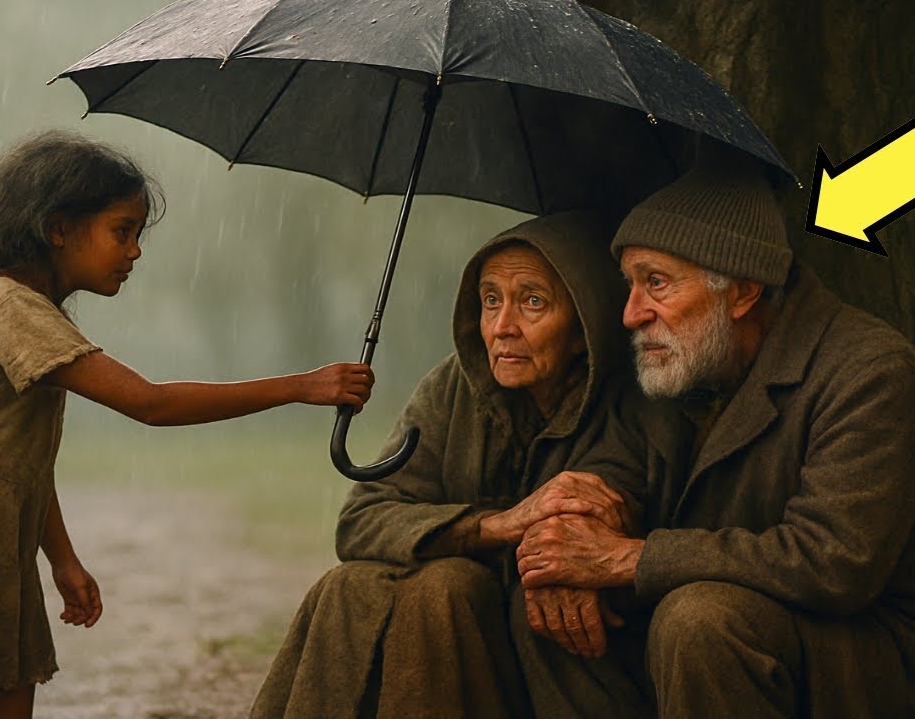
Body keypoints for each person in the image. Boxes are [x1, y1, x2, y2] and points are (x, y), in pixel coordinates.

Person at [0, 129, 374, 719]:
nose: (134, 251)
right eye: (122, 231)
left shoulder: (29, 310)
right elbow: (151, 403)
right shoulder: (9, 308)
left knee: (11, 669)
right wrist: (299, 387)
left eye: (137, 234)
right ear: (58, 230)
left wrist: (61, 558)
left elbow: (18, 462)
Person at [510, 158, 915, 718]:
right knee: (550, 608)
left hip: (893, 658)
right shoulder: (673, 367)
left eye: (657, 282)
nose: (630, 314)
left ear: (742, 293)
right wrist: (570, 542)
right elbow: (606, 478)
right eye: (629, 284)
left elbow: (832, 564)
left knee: (699, 620)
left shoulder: (870, 372)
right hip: (725, 631)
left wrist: (625, 560)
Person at [251, 212, 637, 719]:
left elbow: (614, 505)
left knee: (445, 588)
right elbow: (360, 520)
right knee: (348, 587)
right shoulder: (455, 386)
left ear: (581, 328)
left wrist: (561, 562)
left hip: (560, 656)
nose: (502, 327)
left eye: (533, 302)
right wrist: (496, 525)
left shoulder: (629, 399)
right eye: (490, 300)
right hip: (456, 633)